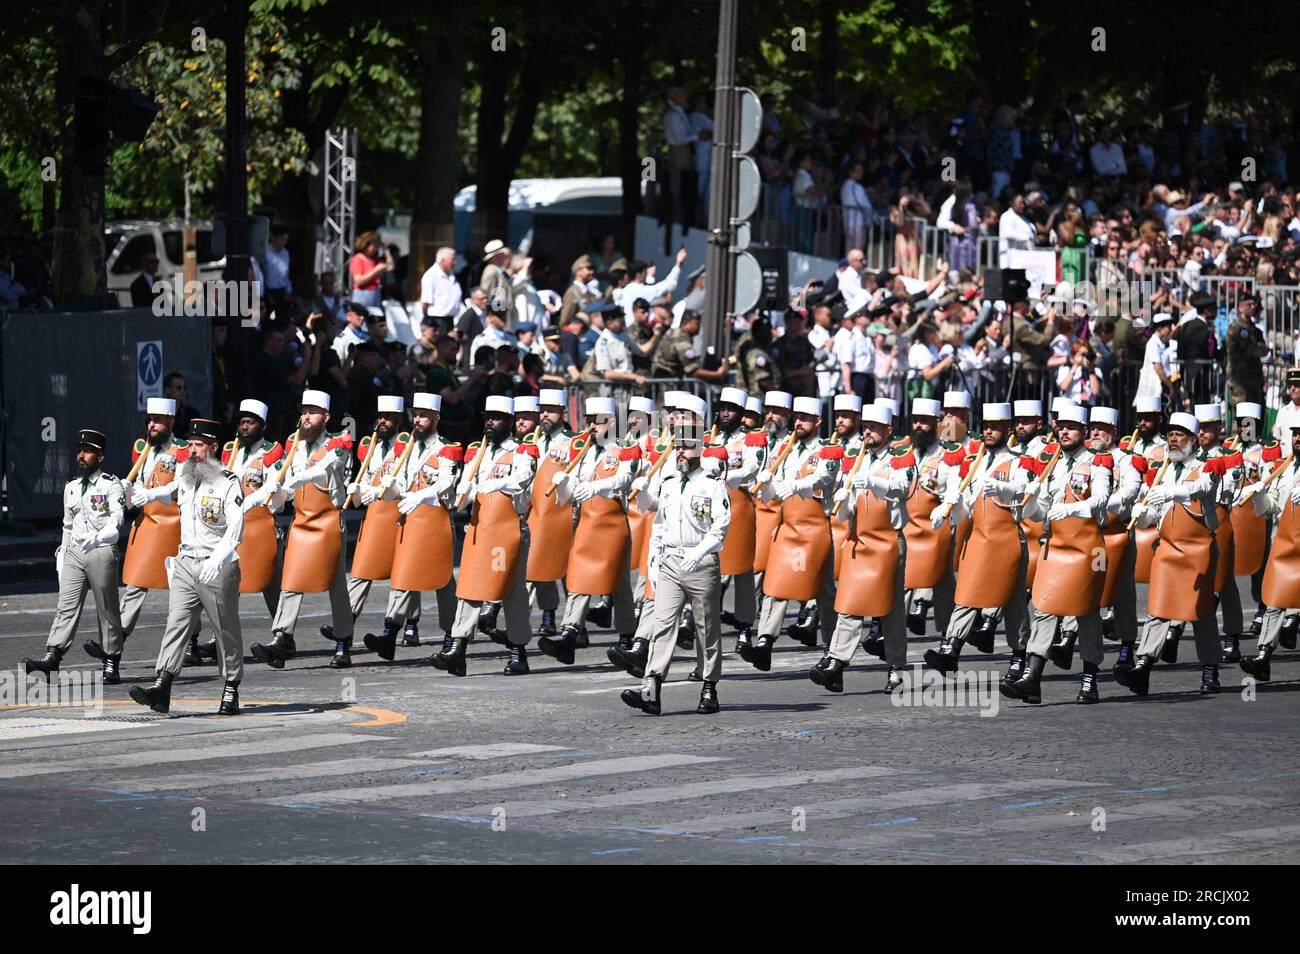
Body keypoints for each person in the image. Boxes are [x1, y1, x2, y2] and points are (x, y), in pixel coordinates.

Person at [128, 419, 245, 716]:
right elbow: (174, 488)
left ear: (213, 447)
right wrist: (149, 494)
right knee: (176, 623)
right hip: (185, 561)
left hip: (216, 564)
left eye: (199, 445)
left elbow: (235, 529)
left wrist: (217, 559)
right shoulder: (188, 474)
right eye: (190, 444)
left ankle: (231, 686)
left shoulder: (228, 481)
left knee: (225, 629)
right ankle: (162, 686)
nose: (192, 450)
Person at [1002, 404, 1112, 705]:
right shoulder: (1052, 464)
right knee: (1045, 607)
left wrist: (1073, 508)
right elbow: (1044, 510)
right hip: (1057, 544)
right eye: (1061, 426)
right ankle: (1033, 677)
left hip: (1090, 547)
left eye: (1071, 427)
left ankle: (1089, 681)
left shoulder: (1098, 462)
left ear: (1085, 431)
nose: (1064, 432)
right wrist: (1028, 504)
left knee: (1086, 612)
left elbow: (1101, 499)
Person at [620, 425, 730, 716]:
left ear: (700, 450)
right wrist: (653, 562)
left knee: (707, 628)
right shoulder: (667, 482)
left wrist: (700, 551)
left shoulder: (711, 484)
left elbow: (721, 526)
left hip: (701, 563)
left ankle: (709, 685)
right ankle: (651, 688)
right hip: (670, 562)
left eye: (688, 446)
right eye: (678, 446)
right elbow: (659, 525)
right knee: (662, 624)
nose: (681, 451)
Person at [1118, 412, 1225, 696]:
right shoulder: (1163, 470)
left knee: (1201, 612)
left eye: (1179, 435)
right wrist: (1141, 515)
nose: (1173, 440)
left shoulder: (1207, 466)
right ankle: (1143, 665)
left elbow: (1203, 488)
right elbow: (1156, 511)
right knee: (1158, 607)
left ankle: (1210, 669)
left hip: (1198, 548)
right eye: (1170, 435)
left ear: (1193, 440)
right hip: (1167, 547)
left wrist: (1171, 492)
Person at [923, 403, 1031, 683]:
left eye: (995, 427)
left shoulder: (1019, 461)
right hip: (981, 537)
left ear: (1007, 429)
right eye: (985, 427)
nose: (989, 432)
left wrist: (1005, 489)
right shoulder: (973, 462)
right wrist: (949, 508)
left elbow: (1024, 490)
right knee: (967, 592)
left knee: (1012, 603)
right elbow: (963, 504)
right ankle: (951, 650)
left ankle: (1019, 658)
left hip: (1008, 538)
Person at [431, 395, 538, 676]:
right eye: (487, 416)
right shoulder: (478, 451)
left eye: (497, 417)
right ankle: (458, 649)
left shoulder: (523, 451)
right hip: (480, 528)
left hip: (509, 530)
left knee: (511, 592)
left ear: (511, 422)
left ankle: (518, 651)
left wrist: (495, 483)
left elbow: (521, 481)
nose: (490, 421)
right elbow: (464, 493)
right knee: (469, 585)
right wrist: (458, 490)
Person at [248, 391, 354, 668]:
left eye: (312, 412)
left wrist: (297, 479)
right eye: (303, 411)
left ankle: (343, 640)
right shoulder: (293, 444)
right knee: (291, 580)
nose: (305, 417)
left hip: (329, 520)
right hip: (301, 520)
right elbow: (287, 491)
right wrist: (278, 492)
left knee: (335, 584)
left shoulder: (339, 442)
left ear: (326, 417)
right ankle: (282, 639)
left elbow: (327, 468)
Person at [817, 403, 914, 693]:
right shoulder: (857, 458)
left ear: (888, 430)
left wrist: (873, 481)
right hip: (860, 539)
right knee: (849, 601)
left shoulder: (900, 458)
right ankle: (836, 661)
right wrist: (843, 499)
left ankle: (896, 666)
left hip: (886, 541)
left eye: (874, 427)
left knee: (890, 608)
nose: (868, 432)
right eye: (865, 427)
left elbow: (902, 487)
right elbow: (848, 507)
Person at [740, 396, 840, 671]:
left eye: (805, 419)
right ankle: (765, 643)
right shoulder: (787, 449)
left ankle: (833, 651)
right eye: (797, 418)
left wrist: (795, 486)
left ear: (818, 421)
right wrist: (765, 484)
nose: (799, 423)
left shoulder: (827, 451)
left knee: (823, 592)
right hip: (788, 526)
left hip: (814, 527)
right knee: (775, 585)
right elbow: (775, 491)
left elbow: (824, 478)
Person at [539, 396, 641, 663]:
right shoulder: (581, 446)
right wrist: (563, 483)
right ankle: (570, 634)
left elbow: (625, 477)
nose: (592, 426)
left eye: (598, 421)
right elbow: (573, 488)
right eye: (589, 420)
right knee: (579, 575)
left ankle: (627, 637)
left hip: (612, 521)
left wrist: (597, 487)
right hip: (584, 520)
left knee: (619, 585)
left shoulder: (625, 446)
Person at [23, 430, 125, 681]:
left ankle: (111, 660)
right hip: (75, 552)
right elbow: (67, 525)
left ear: (100, 457)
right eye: (79, 450)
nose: (81, 456)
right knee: (65, 606)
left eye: (87, 451)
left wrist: (101, 537)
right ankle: (53, 656)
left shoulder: (111, 485)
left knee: (108, 608)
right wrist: (63, 552)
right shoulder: (70, 487)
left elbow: (117, 520)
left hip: (101, 549)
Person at [191, 400, 284, 666]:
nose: (244, 426)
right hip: (232, 527)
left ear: (262, 426)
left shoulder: (272, 452)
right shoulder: (230, 450)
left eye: (251, 422)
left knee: (271, 584)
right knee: (228, 583)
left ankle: (281, 637)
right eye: (242, 421)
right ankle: (218, 637)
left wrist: (260, 498)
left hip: (262, 525)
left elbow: (277, 488)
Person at [321, 396, 411, 667]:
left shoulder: (408, 446)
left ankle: (390, 633)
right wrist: (358, 492)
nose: (381, 421)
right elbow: (363, 485)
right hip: (374, 517)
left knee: (403, 578)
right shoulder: (368, 445)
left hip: (401, 516)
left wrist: (383, 488)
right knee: (359, 575)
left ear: (398, 420)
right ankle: (343, 640)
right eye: (379, 416)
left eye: (387, 417)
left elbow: (406, 485)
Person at [377, 392, 461, 659]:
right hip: (411, 519)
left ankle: (451, 635)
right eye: (416, 415)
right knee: (402, 575)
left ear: (436, 418)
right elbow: (403, 482)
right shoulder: (407, 447)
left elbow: (446, 483)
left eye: (424, 416)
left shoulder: (447, 447)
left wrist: (420, 495)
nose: (418, 420)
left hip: (436, 519)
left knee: (443, 581)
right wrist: (391, 488)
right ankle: (390, 633)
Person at [108, 398, 190, 664]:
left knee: (184, 586)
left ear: (170, 422)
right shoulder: (143, 448)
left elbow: (182, 487)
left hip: (174, 525)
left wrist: (149, 494)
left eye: (157, 421)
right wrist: (126, 493)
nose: (151, 425)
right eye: (149, 421)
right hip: (147, 523)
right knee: (136, 582)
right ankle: (113, 650)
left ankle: (194, 641)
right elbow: (138, 483)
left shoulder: (183, 450)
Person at [1238, 423, 1300, 682]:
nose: (1298, 439)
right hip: (1284, 547)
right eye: (1296, 434)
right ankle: (1263, 657)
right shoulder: (1284, 469)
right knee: (1275, 600)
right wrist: (1259, 495)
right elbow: (1270, 508)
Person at [901, 398, 962, 639]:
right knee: (903, 578)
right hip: (908, 525)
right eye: (915, 421)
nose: (918, 426)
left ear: (937, 423)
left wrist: (946, 503)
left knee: (941, 581)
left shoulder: (949, 454)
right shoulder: (904, 451)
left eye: (924, 421)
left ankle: (949, 636)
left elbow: (956, 486)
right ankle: (887, 634)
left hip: (936, 528)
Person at [524, 389, 578, 640]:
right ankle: (547, 615)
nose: (545, 415)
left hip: (564, 510)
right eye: (542, 410)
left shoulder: (573, 442)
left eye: (551, 410)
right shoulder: (532, 442)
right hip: (537, 510)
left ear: (563, 413)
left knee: (568, 570)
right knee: (537, 562)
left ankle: (575, 625)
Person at [348, 231, 393, 309]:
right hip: (363, 295)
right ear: (366, 244)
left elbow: (390, 267)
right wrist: (376, 270)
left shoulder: (374, 260)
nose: (376, 249)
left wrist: (386, 249)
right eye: (374, 246)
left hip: (375, 293)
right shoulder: (358, 259)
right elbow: (358, 281)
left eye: (377, 246)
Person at [419, 246, 463, 321]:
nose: (454, 262)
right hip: (437, 320)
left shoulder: (451, 275)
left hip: (450, 319)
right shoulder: (431, 276)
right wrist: (428, 322)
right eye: (452, 259)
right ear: (442, 260)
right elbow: (425, 303)